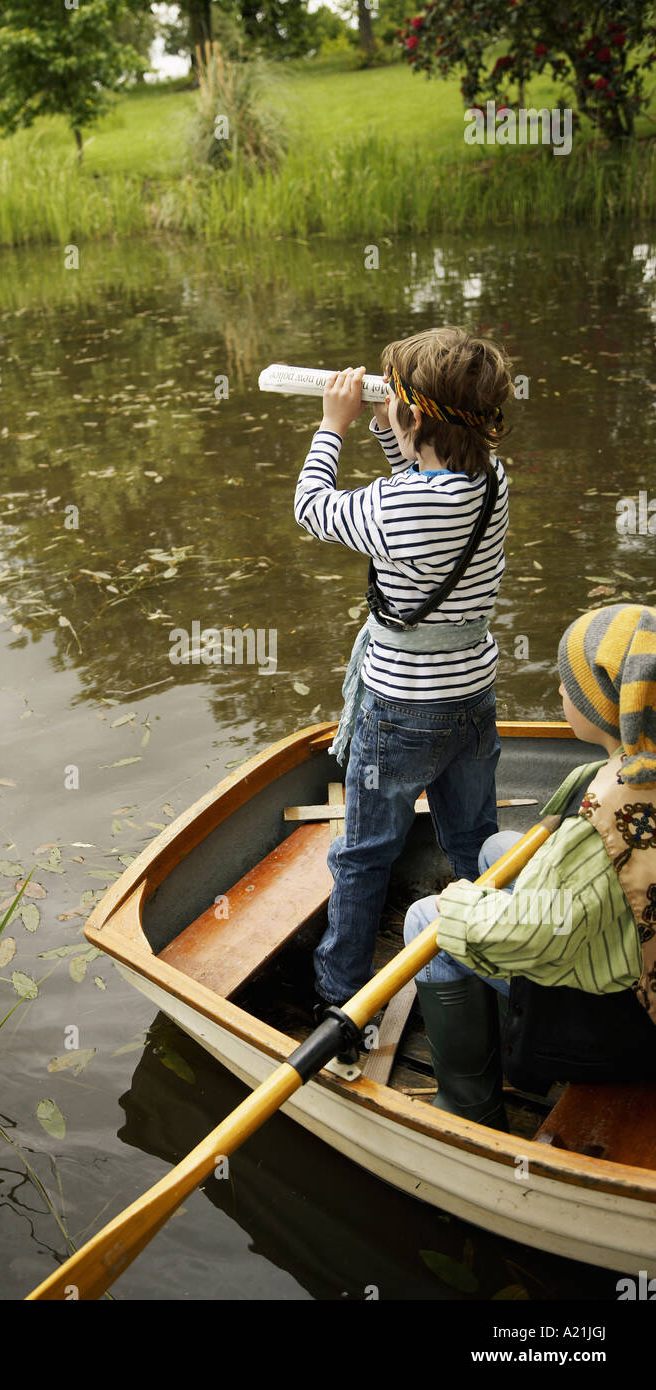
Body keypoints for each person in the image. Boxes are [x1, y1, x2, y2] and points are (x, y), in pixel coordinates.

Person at [293, 326, 512, 1020]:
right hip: (471, 696)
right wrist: (392, 427)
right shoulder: (489, 482)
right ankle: (500, 957)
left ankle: (339, 990)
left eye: (397, 411)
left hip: (400, 712)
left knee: (364, 854)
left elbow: (310, 506)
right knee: (475, 842)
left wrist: (334, 427)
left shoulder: (397, 509)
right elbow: (419, 474)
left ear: (413, 416)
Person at [404, 603, 656, 1130]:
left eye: (570, 684)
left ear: (608, 704)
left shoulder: (603, 818)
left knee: (427, 919)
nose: (560, 693)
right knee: (498, 848)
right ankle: (497, 1016)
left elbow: (534, 936)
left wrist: (461, 905)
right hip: (637, 956)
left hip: (622, 1028)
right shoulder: (637, 770)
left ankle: (468, 1107)